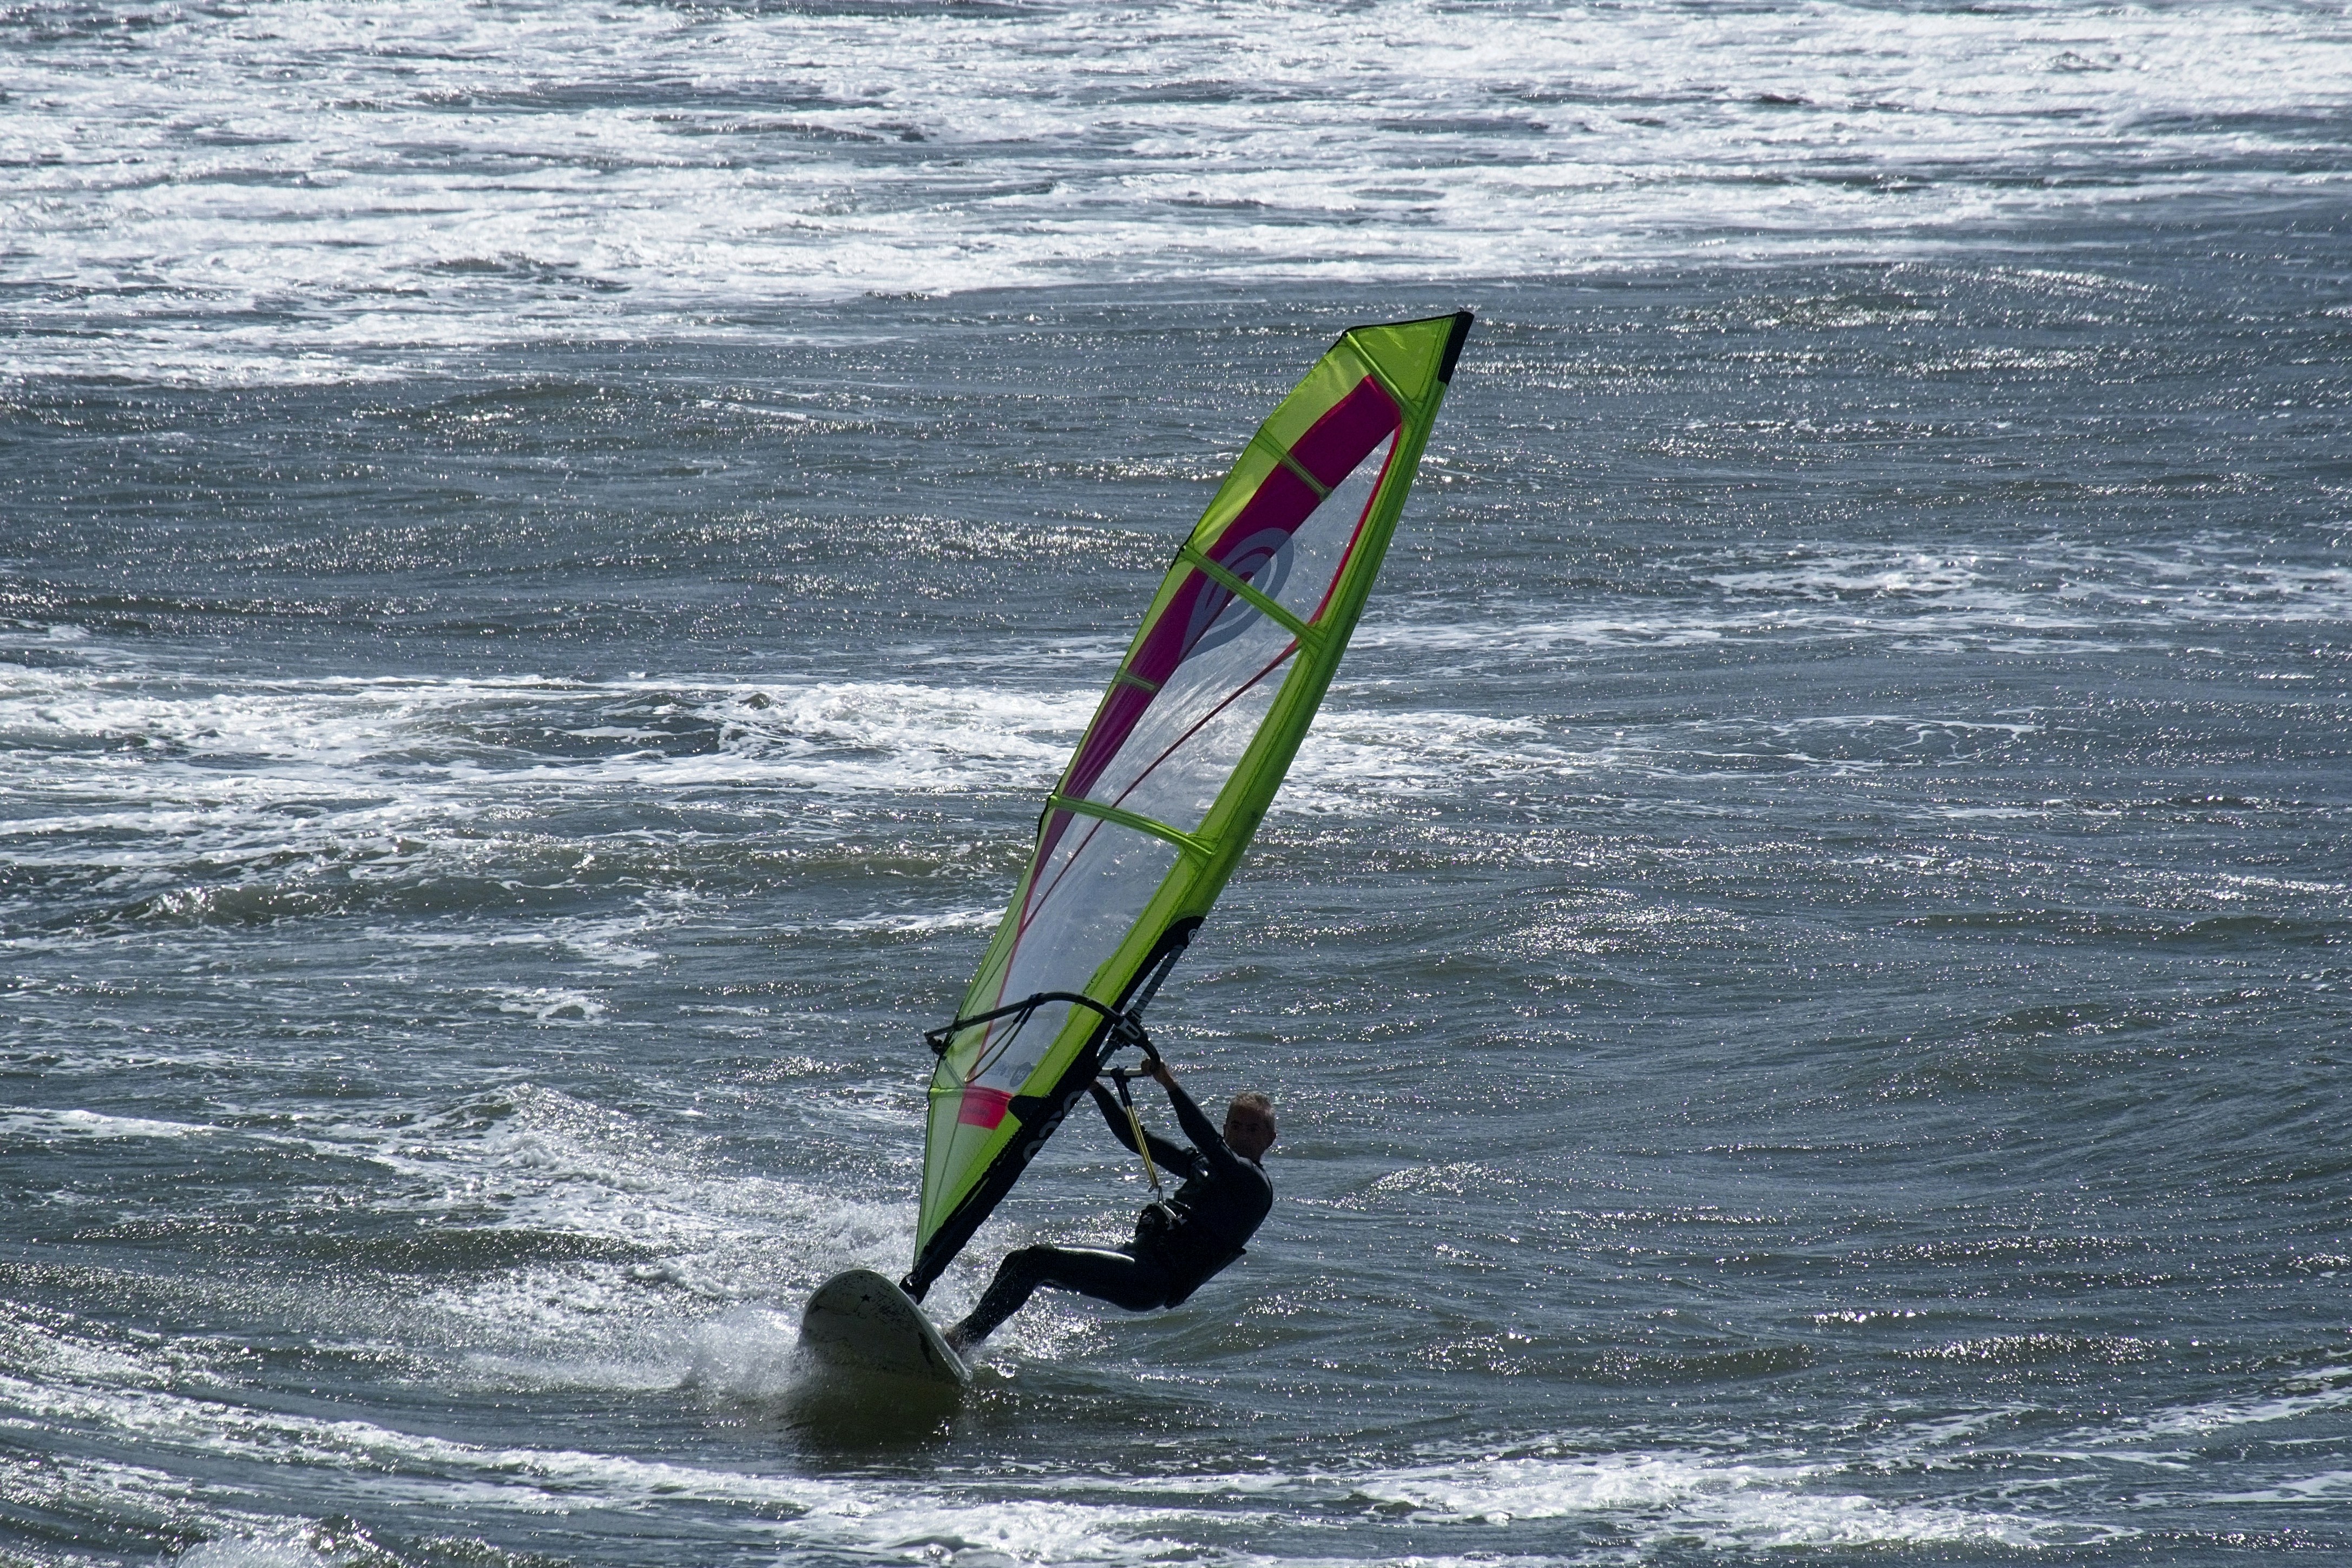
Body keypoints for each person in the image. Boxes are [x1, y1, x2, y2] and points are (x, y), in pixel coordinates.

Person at [943, 1060, 1275, 1352]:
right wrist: (1097, 1089)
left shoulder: (1255, 1186)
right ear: (1225, 1129)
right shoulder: (1204, 1165)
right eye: (1235, 1126)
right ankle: (967, 1339)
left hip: (1151, 1280)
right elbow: (1137, 1140)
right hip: (1136, 1259)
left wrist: (1169, 1084)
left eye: (1253, 1129)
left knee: (1036, 1261)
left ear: (1270, 1139)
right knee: (1020, 1262)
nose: (1242, 1135)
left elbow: (1206, 1139)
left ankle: (961, 1340)